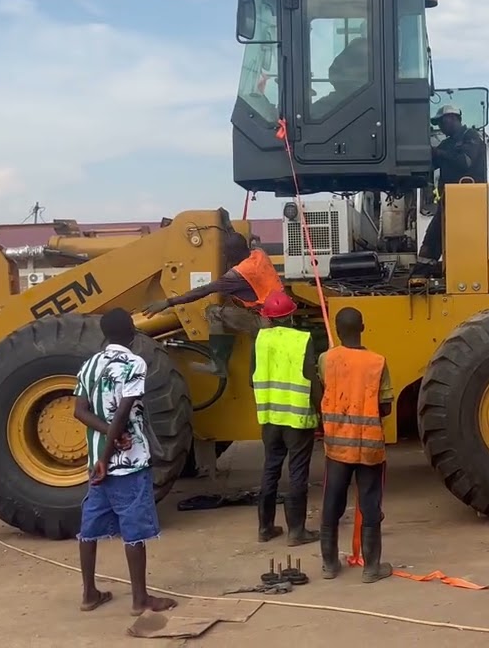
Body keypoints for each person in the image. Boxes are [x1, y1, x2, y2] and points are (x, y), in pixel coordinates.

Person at [72, 308, 177, 617]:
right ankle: (140, 599)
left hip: (96, 462)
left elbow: (79, 411)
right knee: (134, 529)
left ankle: (89, 593)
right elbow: (125, 409)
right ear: (132, 332)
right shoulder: (134, 363)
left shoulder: (89, 365)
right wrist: (112, 447)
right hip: (128, 462)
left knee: (89, 528)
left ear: (105, 334)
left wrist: (105, 438)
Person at [315, 306, 394, 583]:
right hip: (369, 446)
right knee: (370, 503)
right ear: (362, 327)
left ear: (337, 330)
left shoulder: (327, 359)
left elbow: (322, 392)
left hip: (337, 446)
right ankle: (371, 568)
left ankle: (329, 565)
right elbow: (385, 406)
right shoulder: (378, 362)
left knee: (332, 500)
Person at [142, 230, 282, 376]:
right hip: (279, 313)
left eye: (226, 253)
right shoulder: (259, 254)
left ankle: (218, 364)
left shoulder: (238, 274)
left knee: (213, 312)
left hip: (265, 321)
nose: (224, 256)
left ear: (232, 254)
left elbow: (204, 290)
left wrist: (168, 302)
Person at [250, 290, 320, 546]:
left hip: (270, 417)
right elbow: (311, 379)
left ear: (268, 318)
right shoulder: (302, 340)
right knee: (297, 471)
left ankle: (265, 528)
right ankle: (297, 531)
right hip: (298, 418)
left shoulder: (260, 340)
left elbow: (252, 378)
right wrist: (322, 409)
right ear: (292, 315)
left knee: (271, 467)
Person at [417, 104, 488, 270]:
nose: (440, 126)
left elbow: (465, 162)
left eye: (442, 122)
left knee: (461, 239)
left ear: (453, 118)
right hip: (448, 201)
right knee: (433, 237)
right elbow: (430, 167)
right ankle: (422, 273)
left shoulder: (471, 136)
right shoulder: (446, 144)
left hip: (468, 201)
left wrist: (438, 153)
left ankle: (464, 270)